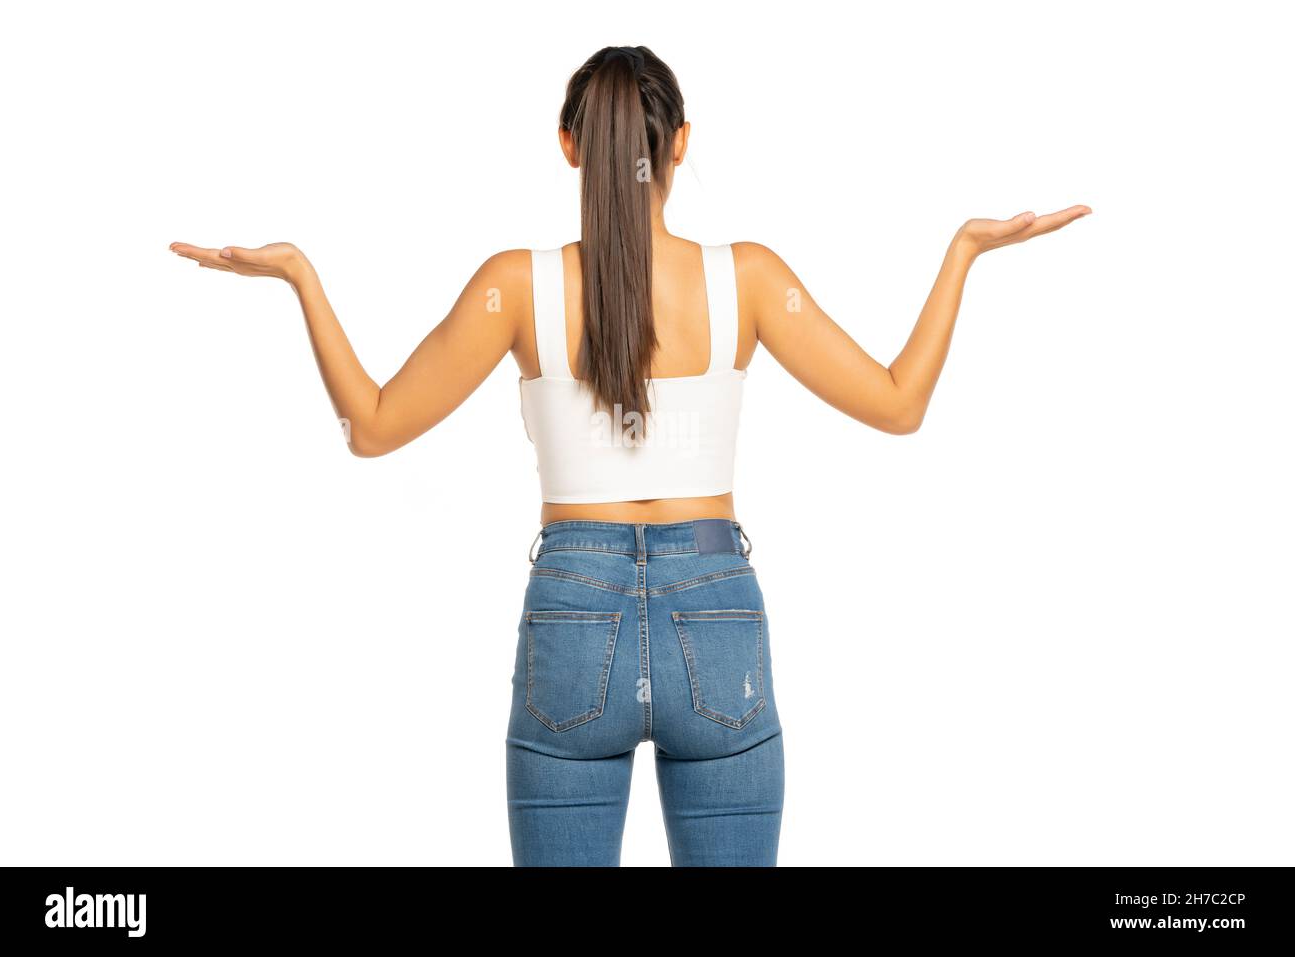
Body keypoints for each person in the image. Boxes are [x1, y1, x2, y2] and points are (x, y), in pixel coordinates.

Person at [169, 44, 1090, 867]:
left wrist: (301, 277)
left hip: (574, 620)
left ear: (569, 144)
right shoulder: (748, 278)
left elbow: (371, 426)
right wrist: (964, 252)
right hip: (716, 615)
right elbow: (899, 403)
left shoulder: (515, 286)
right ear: (681, 142)